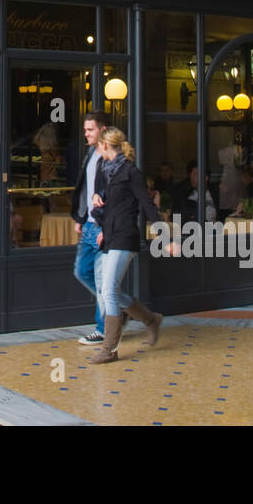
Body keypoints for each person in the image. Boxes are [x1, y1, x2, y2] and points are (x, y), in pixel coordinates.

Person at [86, 128, 164, 364]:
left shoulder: (131, 172)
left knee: (109, 289)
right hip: (110, 235)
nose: (97, 150)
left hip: (126, 236)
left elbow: (146, 204)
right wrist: (96, 203)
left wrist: (164, 235)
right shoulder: (106, 171)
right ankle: (151, 319)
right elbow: (109, 208)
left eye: (98, 146)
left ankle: (109, 349)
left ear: (106, 146)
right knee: (111, 291)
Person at [70, 111, 109, 344]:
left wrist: (106, 226)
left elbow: (115, 194)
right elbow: (85, 187)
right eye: (85, 129)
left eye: (90, 129)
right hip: (89, 225)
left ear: (102, 130)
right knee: (82, 271)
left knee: (103, 280)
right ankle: (119, 307)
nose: (86, 133)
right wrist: (81, 217)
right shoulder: (90, 153)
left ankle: (103, 327)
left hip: (103, 226)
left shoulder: (112, 155)